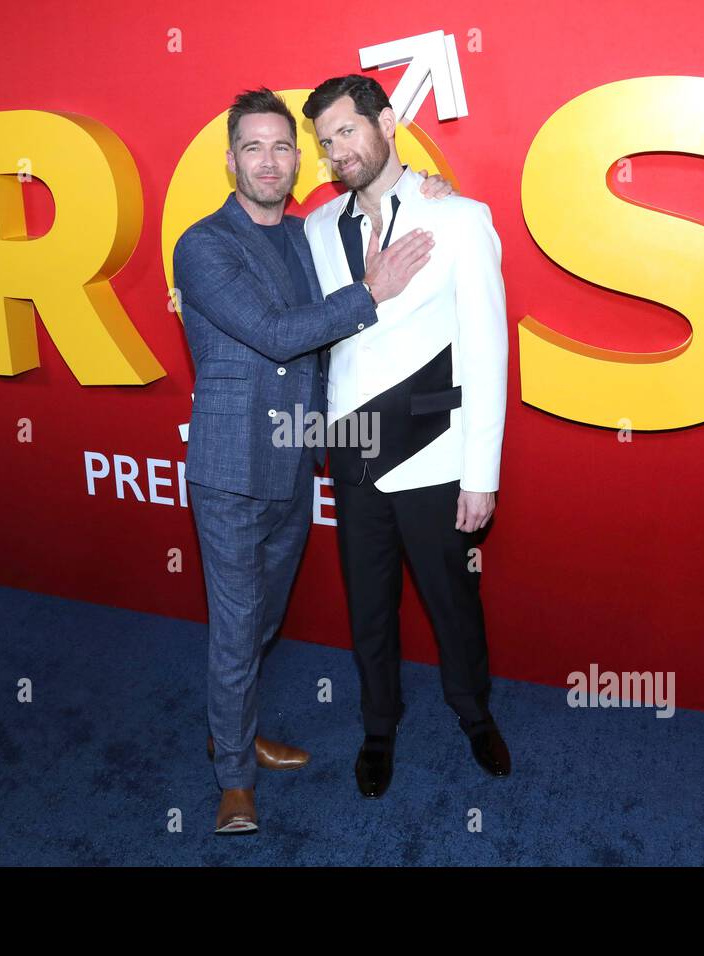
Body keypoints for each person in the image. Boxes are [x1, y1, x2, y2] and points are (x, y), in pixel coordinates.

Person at [172, 87, 450, 834]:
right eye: (254, 147)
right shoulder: (203, 245)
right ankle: (233, 778)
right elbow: (272, 331)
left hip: (295, 463)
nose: (270, 160)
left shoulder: (305, 235)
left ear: (299, 162)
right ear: (230, 161)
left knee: (260, 623)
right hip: (231, 470)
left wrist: (428, 186)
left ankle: (230, 724)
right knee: (236, 629)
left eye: (283, 147)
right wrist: (371, 290)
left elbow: (375, 199)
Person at [301, 74, 510, 799]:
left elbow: (487, 348)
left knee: (453, 604)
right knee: (368, 609)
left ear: (386, 122)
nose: (337, 151)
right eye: (325, 142)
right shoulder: (318, 228)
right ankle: (378, 727)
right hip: (354, 451)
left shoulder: (460, 218)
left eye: (347, 132)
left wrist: (481, 473)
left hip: (433, 451)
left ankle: (474, 714)